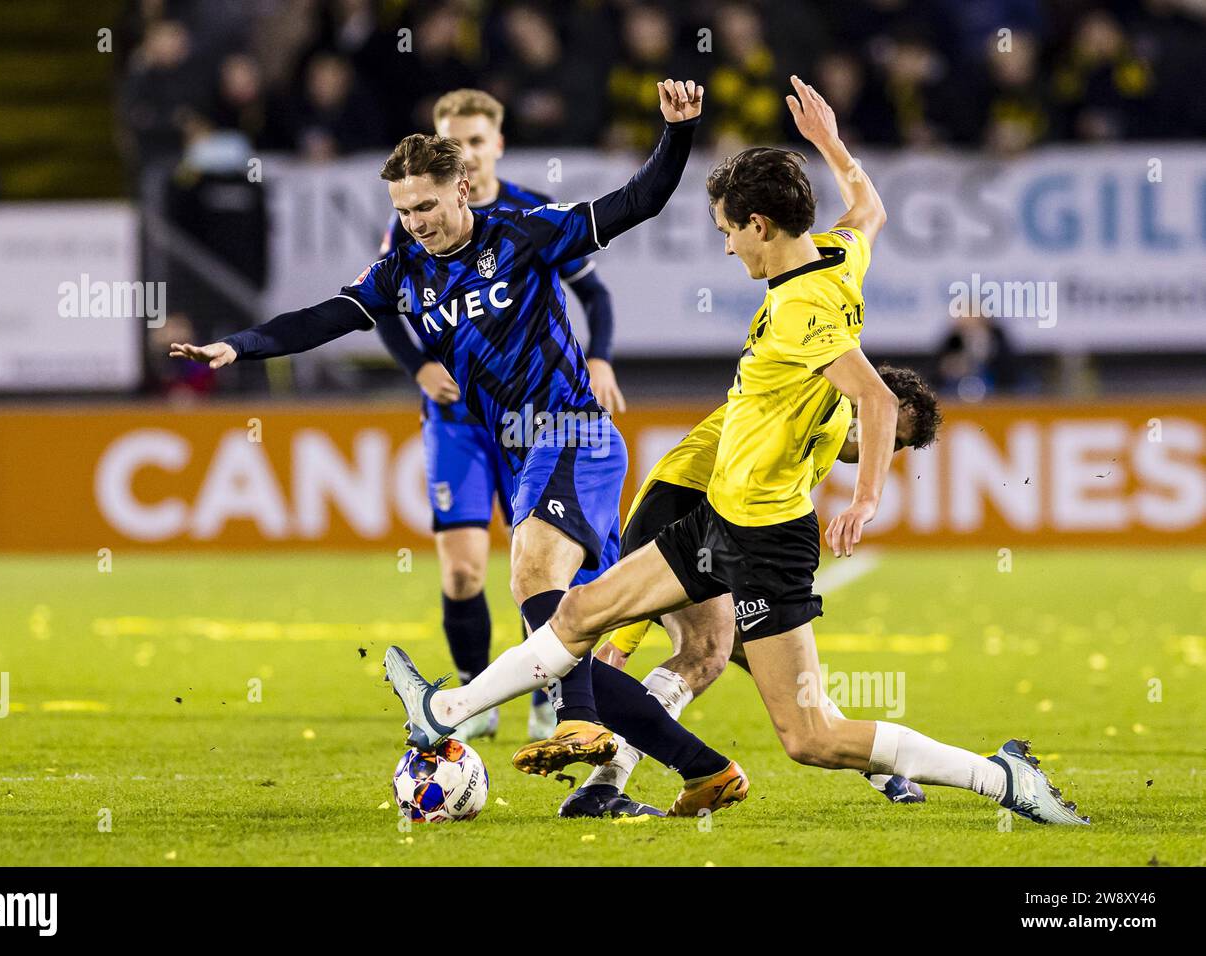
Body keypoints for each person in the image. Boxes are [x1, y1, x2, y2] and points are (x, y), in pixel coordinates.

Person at [386, 76, 1090, 826]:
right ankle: (447, 709)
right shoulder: (835, 255)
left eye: (727, 229)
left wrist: (866, 500)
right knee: (580, 614)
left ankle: (998, 777)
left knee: (811, 736)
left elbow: (877, 401)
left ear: (759, 225)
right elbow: (871, 208)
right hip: (718, 515)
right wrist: (828, 142)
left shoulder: (801, 309)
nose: (725, 244)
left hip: (763, 540)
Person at [175, 80, 722, 787]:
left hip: (570, 432)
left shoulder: (524, 232)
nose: (417, 223)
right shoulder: (403, 269)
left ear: (464, 186)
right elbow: (323, 317)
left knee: (532, 575)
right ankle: (700, 767)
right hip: (525, 449)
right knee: (568, 629)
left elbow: (636, 202)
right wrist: (237, 347)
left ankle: (568, 719)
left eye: (427, 206)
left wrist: (678, 131)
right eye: (404, 212)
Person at [563, 365, 941, 817]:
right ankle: (601, 784)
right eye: (890, 437)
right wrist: (625, 638)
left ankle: (873, 763)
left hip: (703, 522)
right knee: (706, 650)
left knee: (764, 648)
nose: (883, 453)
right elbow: (672, 532)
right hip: (685, 506)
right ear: (866, 409)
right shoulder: (809, 406)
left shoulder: (821, 429)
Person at [374, 88, 623, 742]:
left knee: (534, 556)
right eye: (454, 141)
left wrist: (600, 360)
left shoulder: (525, 216)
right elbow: (378, 307)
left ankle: (546, 689)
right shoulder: (412, 220)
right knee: (461, 570)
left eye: (477, 142)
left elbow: (592, 293)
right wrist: (420, 368)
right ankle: (478, 692)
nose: (469, 154)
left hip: (531, 419)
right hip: (456, 418)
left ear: (497, 146)